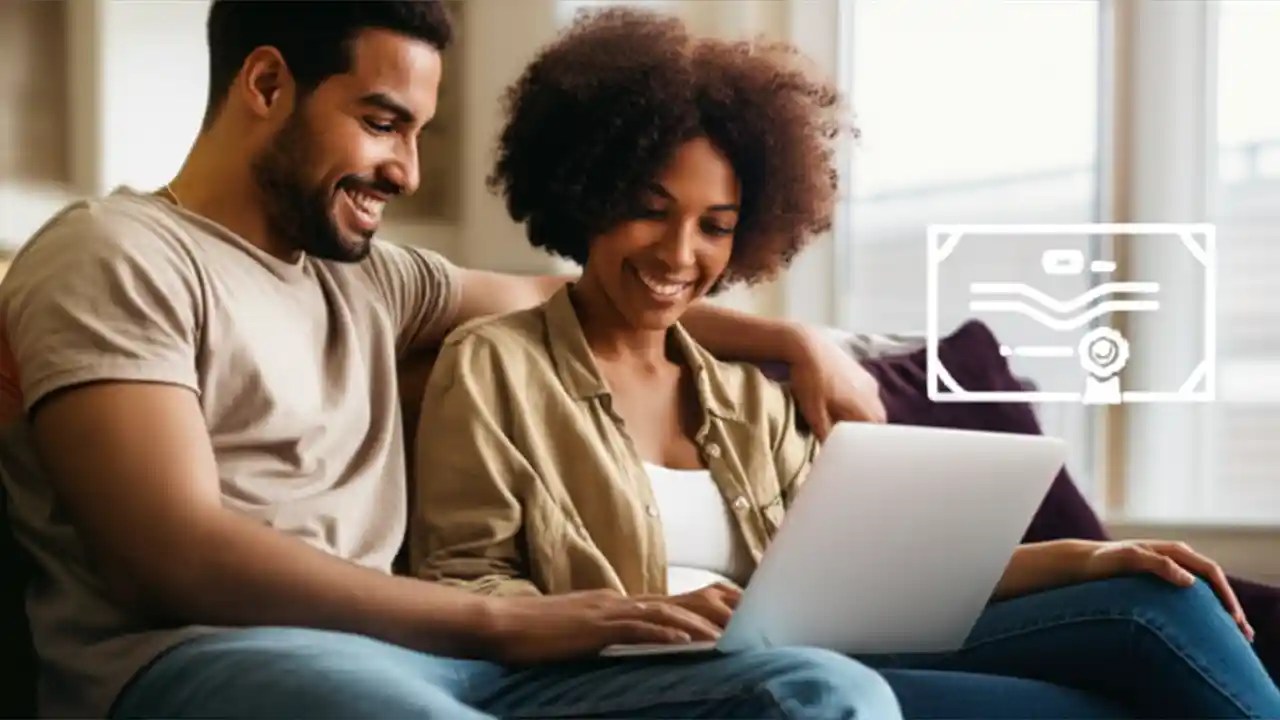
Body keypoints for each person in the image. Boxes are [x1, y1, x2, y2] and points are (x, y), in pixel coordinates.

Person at [0, 2, 904, 718]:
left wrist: (796, 342)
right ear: (268, 83)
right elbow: (171, 558)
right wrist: (504, 619)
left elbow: (597, 295)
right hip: (198, 661)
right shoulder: (115, 255)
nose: (408, 171)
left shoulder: (368, 278)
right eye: (382, 123)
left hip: (426, 662)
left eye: (418, 133)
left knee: (825, 692)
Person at [411, 8, 1280, 719]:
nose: (681, 252)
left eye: (716, 224)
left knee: (1157, 601)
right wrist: (623, 619)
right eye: (649, 210)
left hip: (813, 647)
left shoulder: (746, 400)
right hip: (651, 683)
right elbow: (463, 588)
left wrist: (1091, 557)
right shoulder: (493, 368)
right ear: (586, 194)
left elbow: (869, 581)